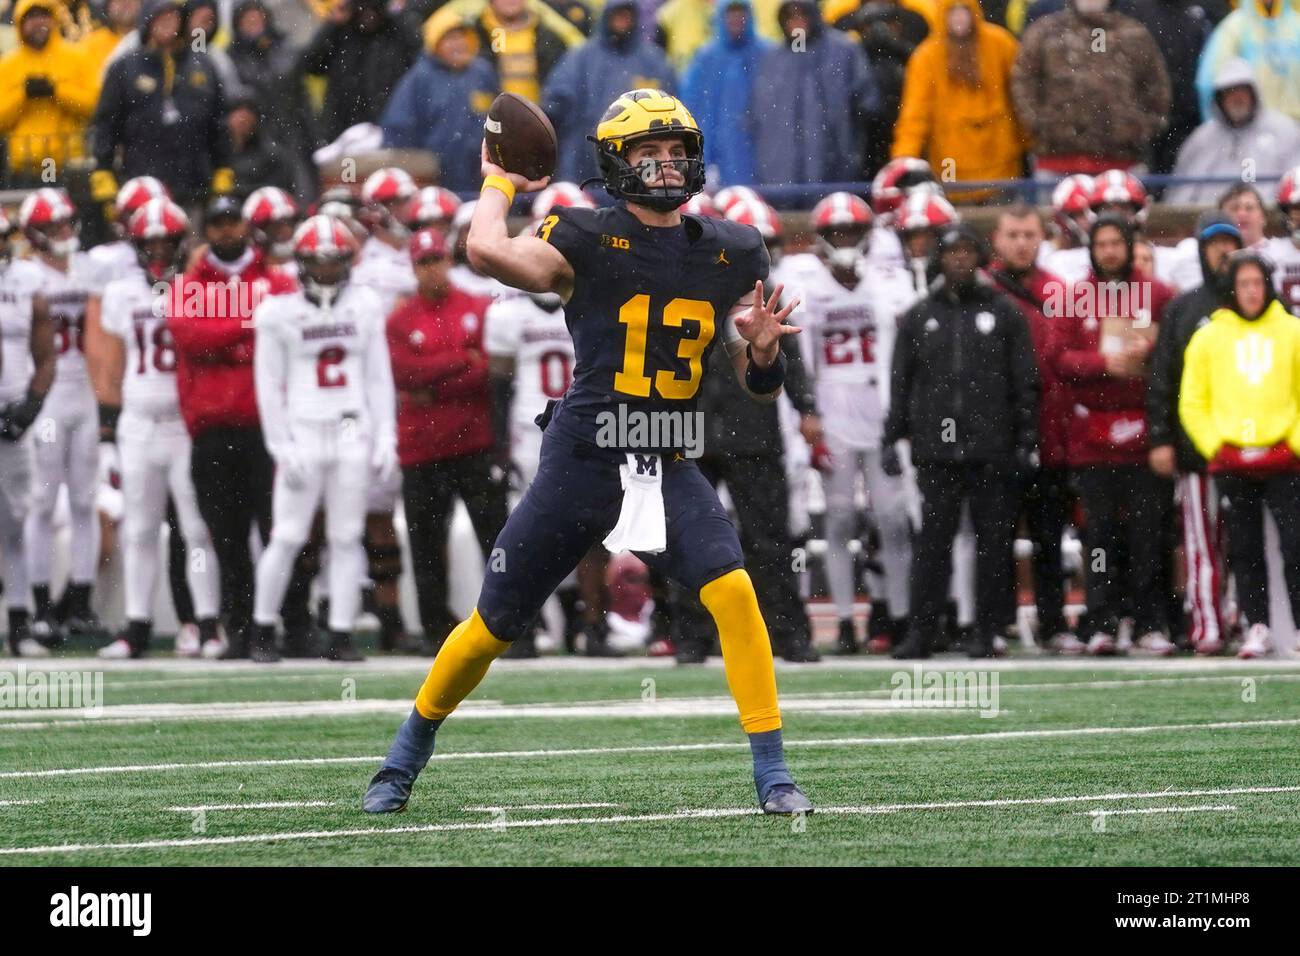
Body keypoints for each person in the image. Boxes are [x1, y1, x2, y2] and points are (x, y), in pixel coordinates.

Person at [363, 89, 813, 816]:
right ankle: (404, 755)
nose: (667, 167)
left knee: (732, 588)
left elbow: (757, 386)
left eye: (677, 153)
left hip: (666, 452)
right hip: (585, 452)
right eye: (649, 154)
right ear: (616, 162)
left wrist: (764, 355)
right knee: (491, 628)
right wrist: (499, 180)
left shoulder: (732, 249)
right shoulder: (581, 233)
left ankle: (774, 773)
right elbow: (484, 249)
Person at [168, 196, 313, 661]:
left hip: (267, 428)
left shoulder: (277, 280)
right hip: (211, 427)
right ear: (206, 230)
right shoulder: (189, 285)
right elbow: (191, 337)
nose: (226, 232)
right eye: (218, 224)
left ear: (247, 228)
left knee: (281, 531)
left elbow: (290, 336)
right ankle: (240, 627)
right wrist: (251, 329)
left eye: (233, 223)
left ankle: (293, 624)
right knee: (225, 536)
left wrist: (227, 335)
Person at [884, 224, 1039, 659]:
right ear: (940, 259)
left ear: (981, 258)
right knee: (932, 544)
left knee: (994, 546)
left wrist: (1027, 439)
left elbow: (1024, 381)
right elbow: (902, 382)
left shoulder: (1005, 314)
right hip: (935, 451)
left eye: (969, 251)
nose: (961, 260)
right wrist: (891, 437)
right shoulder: (919, 315)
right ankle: (922, 631)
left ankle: (985, 630)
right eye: (953, 252)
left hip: (992, 450)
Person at [250, 215, 397, 663]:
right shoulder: (278, 312)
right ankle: (261, 629)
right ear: (302, 263)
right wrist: (280, 445)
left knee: (347, 536)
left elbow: (378, 377)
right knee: (289, 535)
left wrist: (386, 434)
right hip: (304, 432)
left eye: (335, 262)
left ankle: (340, 633)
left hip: (352, 429)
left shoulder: (366, 304)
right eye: (320, 262)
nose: (328, 271)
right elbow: (267, 385)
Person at [88, 198, 222, 658]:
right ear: (137, 245)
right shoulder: (123, 292)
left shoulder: (197, 288)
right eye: (152, 243)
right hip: (139, 422)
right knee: (140, 529)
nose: (160, 251)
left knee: (196, 528)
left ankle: (207, 625)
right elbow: (111, 366)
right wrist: (107, 434)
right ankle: (136, 628)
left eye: (167, 241)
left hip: (184, 423)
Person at [781, 192, 913, 654]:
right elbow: (801, 357)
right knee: (839, 520)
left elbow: (900, 354)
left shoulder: (886, 281)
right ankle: (842, 621)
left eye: (853, 231)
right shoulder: (807, 284)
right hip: (833, 408)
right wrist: (809, 411)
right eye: (837, 232)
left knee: (891, 519)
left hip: (878, 409)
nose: (845, 240)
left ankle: (898, 615)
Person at [1050, 214, 1175, 655]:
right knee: (1098, 537)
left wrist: (1150, 352)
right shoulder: (1076, 296)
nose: (1109, 251)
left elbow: (1176, 355)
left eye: (1115, 243)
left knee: (1148, 534)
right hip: (1092, 437)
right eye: (1100, 243)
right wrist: (1102, 363)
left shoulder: (1158, 294)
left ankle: (1148, 622)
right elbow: (1058, 359)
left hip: (1145, 433)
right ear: (1091, 247)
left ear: (1128, 245)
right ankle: (1100, 620)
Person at [386, 227, 507, 652]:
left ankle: (506, 623)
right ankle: (436, 628)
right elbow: (403, 372)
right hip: (422, 448)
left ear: (447, 260)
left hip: (474, 443)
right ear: (413, 268)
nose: (431, 269)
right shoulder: (400, 319)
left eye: (436, 259)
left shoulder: (477, 307)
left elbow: (487, 370)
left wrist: (433, 381)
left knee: (495, 539)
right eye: (423, 262)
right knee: (425, 545)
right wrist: (460, 362)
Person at [1181, 251, 1300, 659]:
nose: (1252, 291)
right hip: (1232, 461)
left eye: (1258, 283)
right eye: (1244, 284)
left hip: (1286, 460)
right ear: (1232, 288)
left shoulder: (1292, 331)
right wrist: (1217, 446)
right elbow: (1193, 402)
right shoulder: (1209, 337)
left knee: (1295, 543)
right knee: (1245, 549)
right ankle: (1258, 626)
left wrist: (1293, 443)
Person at [1146, 212, 1242, 655]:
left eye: (1229, 243)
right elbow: (1163, 378)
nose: (1222, 252)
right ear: (1202, 251)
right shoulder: (1183, 309)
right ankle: (1207, 623)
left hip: (1254, 447)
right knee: (1201, 544)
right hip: (1197, 449)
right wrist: (1162, 438)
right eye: (1214, 244)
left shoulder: (1258, 304)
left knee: (1247, 543)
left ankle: (1247, 619)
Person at [15, 188, 102, 644]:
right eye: (56, 226)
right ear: (37, 235)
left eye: (68, 222)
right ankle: (42, 606)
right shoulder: (25, 277)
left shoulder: (90, 267)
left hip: (84, 390)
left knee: (86, 500)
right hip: (46, 393)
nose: (66, 232)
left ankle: (81, 605)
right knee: (44, 503)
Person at [987, 203, 1076, 650]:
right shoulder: (983, 289)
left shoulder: (1060, 290)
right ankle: (998, 621)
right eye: (1013, 234)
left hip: (1050, 429)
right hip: (998, 432)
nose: (1022, 242)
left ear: (1041, 238)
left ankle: (1054, 622)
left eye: (1029, 234)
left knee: (1049, 534)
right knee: (996, 531)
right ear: (998, 240)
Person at [90, 0, 235, 208]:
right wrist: (103, 172)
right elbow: (106, 124)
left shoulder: (203, 65)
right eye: (161, 16)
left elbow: (219, 123)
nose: (168, 22)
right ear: (148, 21)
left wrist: (223, 168)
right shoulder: (124, 67)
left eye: (173, 16)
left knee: (194, 237)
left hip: (195, 184)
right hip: (142, 183)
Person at [1012, 0, 1170, 178]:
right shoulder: (1044, 32)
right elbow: (1023, 82)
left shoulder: (1135, 34)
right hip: (1056, 161)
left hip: (1122, 163)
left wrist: (1138, 128)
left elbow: (1157, 88)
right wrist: (1041, 125)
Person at [891, 0, 1024, 196]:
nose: (959, 17)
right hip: (949, 164)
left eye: (965, 10)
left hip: (1000, 160)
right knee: (954, 212)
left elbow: (1020, 98)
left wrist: (1031, 143)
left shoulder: (1001, 44)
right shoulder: (926, 57)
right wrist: (904, 159)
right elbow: (914, 116)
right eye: (952, 11)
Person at [0, 208, 57, 657]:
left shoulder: (28, 284)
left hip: (12, 416)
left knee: (15, 524)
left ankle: (19, 625)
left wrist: (31, 406)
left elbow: (47, 357)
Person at [541, 0, 676, 184]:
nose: (622, 20)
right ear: (606, 16)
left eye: (627, 14)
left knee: (641, 204)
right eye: (617, 14)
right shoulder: (581, 57)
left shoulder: (654, 61)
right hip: (585, 160)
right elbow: (556, 102)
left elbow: (673, 109)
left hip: (642, 160)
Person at [750, 0, 877, 186]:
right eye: (791, 17)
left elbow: (867, 103)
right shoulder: (772, 60)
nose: (796, 23)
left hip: (834, 171)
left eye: (802, 15)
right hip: (781, 178)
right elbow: (757, 116)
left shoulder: (843, 51)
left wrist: (848, 144)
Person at [380, 18, 498, 194]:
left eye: (462, 38)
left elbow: (499, 115)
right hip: (437, 179)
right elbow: (398, 127)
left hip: (481, 174)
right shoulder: (420, 77)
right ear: (435, 44)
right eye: (450, 39)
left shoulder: (482, 72)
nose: (458, 44)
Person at [1167, 59, 1300, 206]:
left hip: (1271, 219)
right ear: (1219, 99)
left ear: (1254, 94)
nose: (1237, 98)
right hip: (1213, 221)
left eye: (1242, 91)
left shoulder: (1284, 131)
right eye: (1230, 92)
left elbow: (1295, 185)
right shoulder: (1202, 138)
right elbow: (1181, 193)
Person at [0, 0, 98, 183]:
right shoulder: (7, 65)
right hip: (24, 166)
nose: (38, 22)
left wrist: (57, 90)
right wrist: (23, 95)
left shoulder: (78, 57)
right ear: (20, 22)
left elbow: (94, 107)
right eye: (31, 17)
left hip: (68, 163)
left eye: (43, 15)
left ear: (54, 19)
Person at [298, 0, 421, 144]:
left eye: (374, 10)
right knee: (348, 167)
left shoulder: (395, 34)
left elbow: (418, 56)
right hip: (342, 131)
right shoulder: (342, 33)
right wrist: (332, 25)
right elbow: (311, 65)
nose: (368, 16)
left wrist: (399, 14)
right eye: (363, 10)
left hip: (386, 131)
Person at [681, 0, 768, 188]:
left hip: (761, 158)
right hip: (719, 158)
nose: (736, 20)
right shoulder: (706, 58)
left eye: (741, 14)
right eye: (731, 14)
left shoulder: (767, 54)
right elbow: (693, 111)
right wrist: (703, 159)